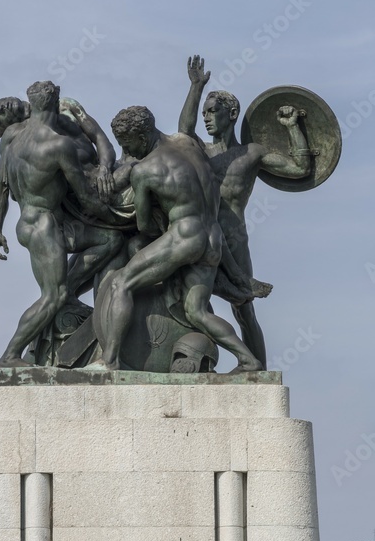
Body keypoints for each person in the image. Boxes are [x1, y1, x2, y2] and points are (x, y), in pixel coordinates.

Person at [93, 105, 266, 372]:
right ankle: (248, 360)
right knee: (197, 312)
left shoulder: (144, 170)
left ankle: (110, 361)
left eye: (127, 145)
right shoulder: (188, 144)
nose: (129, 153)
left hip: (183, 236)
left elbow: (143, 224)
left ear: (141, 137)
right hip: (213, 239)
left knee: (121, 283)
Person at [178, 55, 312, 367]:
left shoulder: (251, 153)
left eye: (213, 112)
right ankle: (198, 359)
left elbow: (300, 167)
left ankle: (257, 371)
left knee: (244, 307)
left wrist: (293, 127)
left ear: (232, 113)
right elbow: (185, 131)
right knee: (193, 301)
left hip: (233, 236)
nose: (207, 118)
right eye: (205, 113)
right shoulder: (200, 151)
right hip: (201, 237)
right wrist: (196, 87)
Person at [0, 80, 114, 366]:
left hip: (34, 222)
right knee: (53, 297)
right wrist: (119, 215)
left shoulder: (11, 136)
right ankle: (9, 356)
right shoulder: (59, 145)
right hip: (43, 225)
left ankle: (67, 291)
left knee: (109, 240)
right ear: (56, 106)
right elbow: (86, 196)